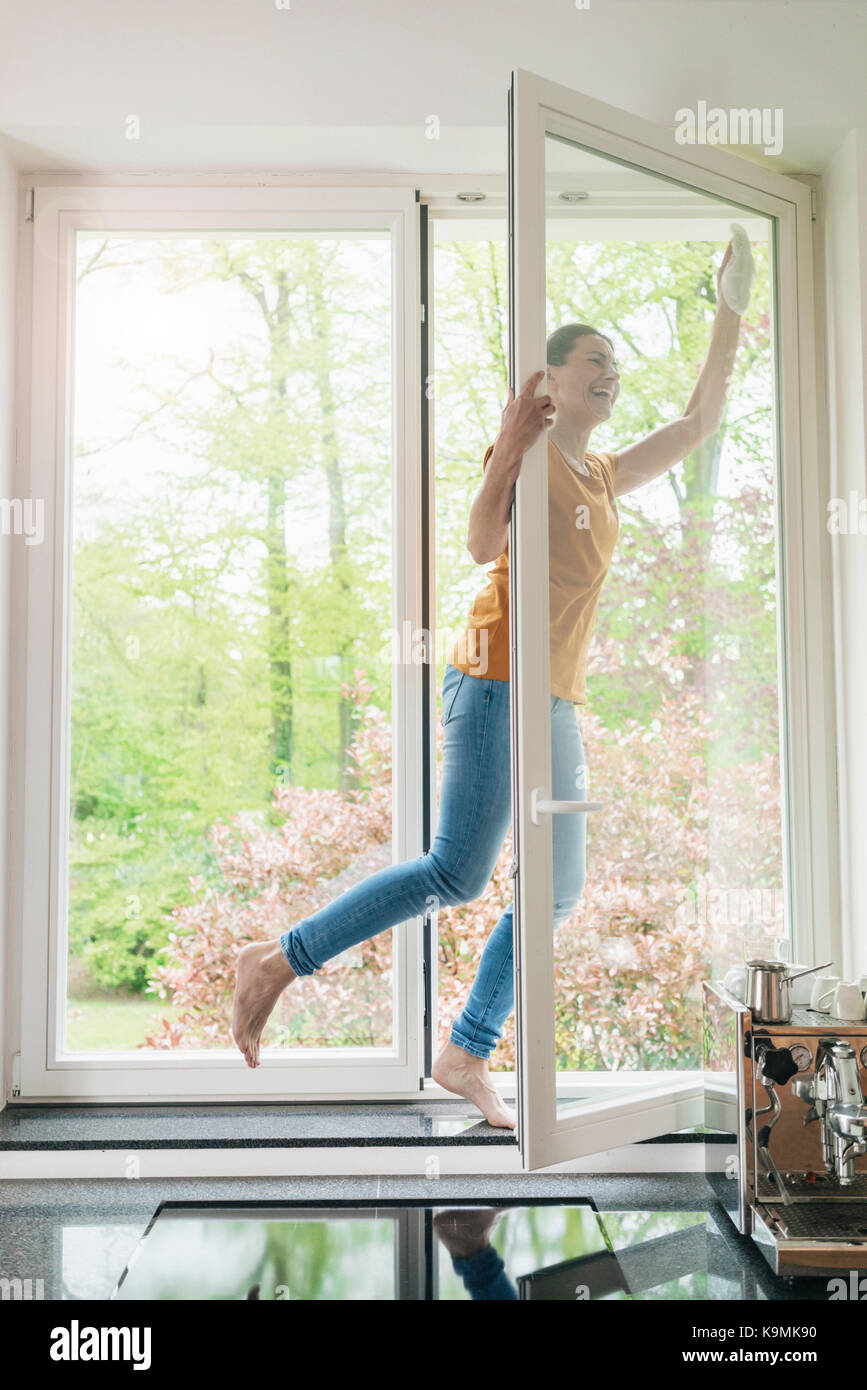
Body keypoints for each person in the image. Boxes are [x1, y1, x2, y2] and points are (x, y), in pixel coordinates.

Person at [232, 236, 749, 1128]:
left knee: (540, 885)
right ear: (548, 379)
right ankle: (279, 962)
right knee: (459, 875)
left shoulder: (600, 472)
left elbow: (700, 421)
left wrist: (732, 305)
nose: (612, 374)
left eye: (616, 366)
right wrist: (511, 445)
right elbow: (480, 542)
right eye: (595, 361)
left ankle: (461, 1048)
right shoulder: (532, 448)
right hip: (493, 677)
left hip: (547, 694)